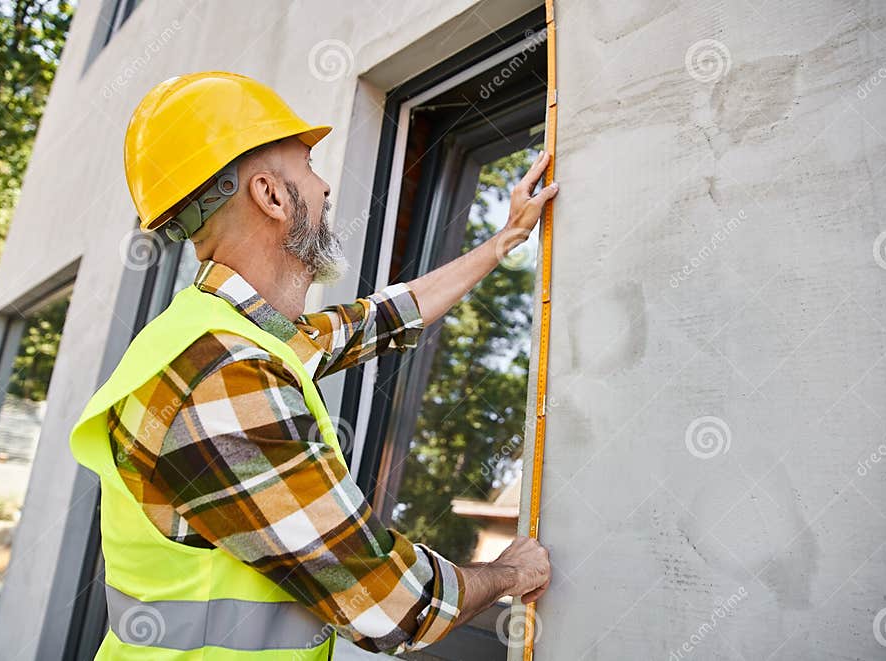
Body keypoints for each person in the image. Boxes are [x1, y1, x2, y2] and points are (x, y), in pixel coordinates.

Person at [69, 71, 559, 659]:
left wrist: (505, 240)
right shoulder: (222, 374)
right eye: (307, 165)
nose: (325, 187)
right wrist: (508, 573)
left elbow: (379, 319)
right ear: (271, 196)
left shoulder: (231, 333)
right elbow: (392, 605)